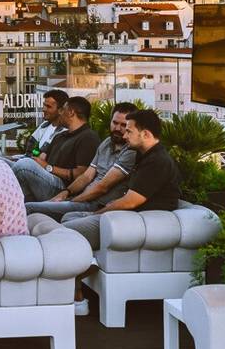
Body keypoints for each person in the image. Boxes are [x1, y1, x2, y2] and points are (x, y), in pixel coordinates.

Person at [61, 109, 181, 316]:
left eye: (130, 131)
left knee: (64, 234)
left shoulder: (157, 162)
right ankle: (88, 263)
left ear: (146, 134)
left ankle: (77, 295)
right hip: (126, 219)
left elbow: (130, 202)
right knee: (68, 217)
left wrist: (98, 214)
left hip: (133, 224)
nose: (124, 135)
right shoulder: (143, 156)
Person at [25, 102, 137, 220]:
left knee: (29, 207)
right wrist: (66, 193)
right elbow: (86, 176)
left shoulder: (131, 151)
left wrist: (72, 200)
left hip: (96, 205)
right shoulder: (107, 143)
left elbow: (102, 187)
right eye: (115, 123)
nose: (117, 128)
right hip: (81, 198)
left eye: (123, 125)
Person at [11, 96, 100, 202]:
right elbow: (42, 158)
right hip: (44, 177)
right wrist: (36, 160)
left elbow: (82, 173)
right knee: (0, 162)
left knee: (23, 165)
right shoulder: (60, 136)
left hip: (61, 187)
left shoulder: (88, 137)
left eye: (62, 110)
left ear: (71, 112)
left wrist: (48, 167)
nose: (60, 113)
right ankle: (20, 204)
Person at [22, 89, 68, 157]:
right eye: (44, 105)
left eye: (48, 107)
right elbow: (29, 150)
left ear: (61, 110)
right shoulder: (44, 125)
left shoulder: (66, 131)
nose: (44, 109)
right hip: (30, 162)